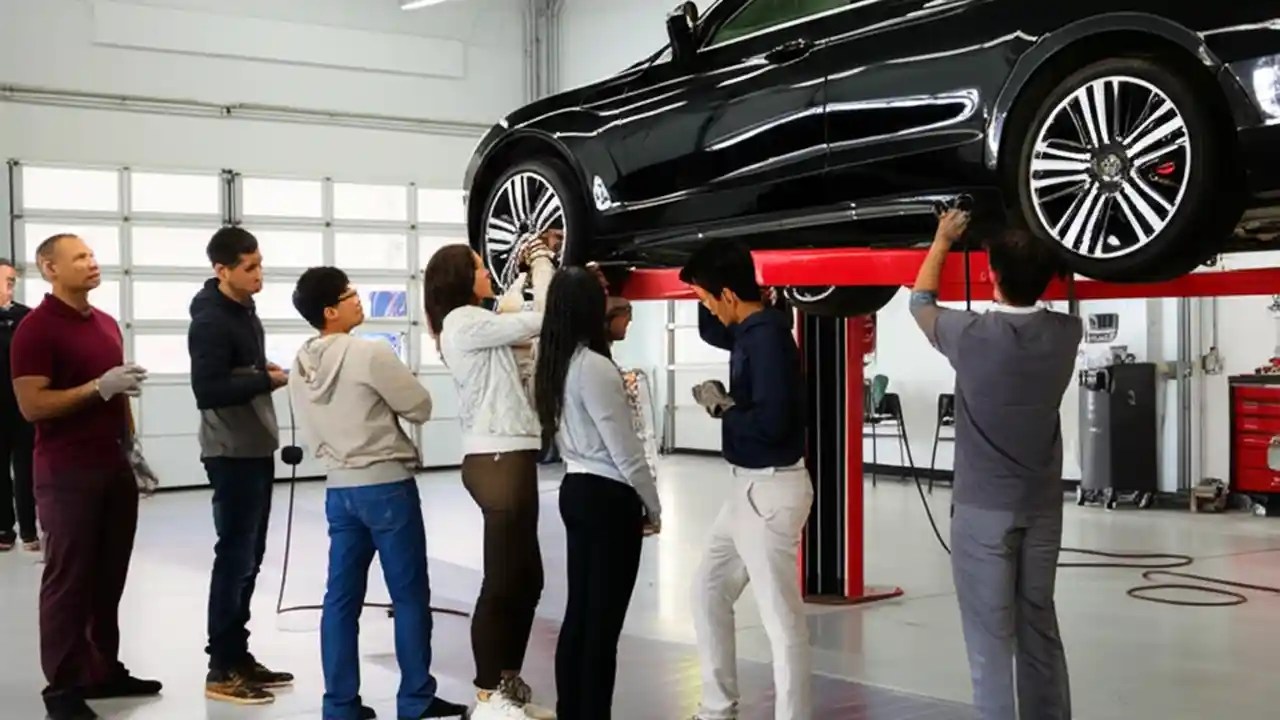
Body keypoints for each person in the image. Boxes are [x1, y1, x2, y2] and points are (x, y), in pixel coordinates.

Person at [909, 209, 1081, 720]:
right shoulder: (1065, 335)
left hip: (983, 512)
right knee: (1039, 626)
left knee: (989, 639)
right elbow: (1060, 292)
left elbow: (920, 302)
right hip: (1043, 509)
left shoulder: (971, 335)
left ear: (992, 276)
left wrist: (943, 238)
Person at [288, 266, 468, 720]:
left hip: (338, 490)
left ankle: (341, 705)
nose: (358, 300)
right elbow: (420, 406)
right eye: (349, 295)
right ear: (330, 311)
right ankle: (415, 700)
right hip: (386, 485)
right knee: (408, 597)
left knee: (340, 601)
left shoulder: (300, 364)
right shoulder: (369, 354)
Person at [10, 233, 161, 720]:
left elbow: (118, 395)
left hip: (112, 465)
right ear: (49, 268)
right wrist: (98, 387)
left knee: (108, 575)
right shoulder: (35, 330)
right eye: (79, 258)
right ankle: (62, 687)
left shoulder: (106, 324)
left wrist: (132, 449)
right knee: (68, 579)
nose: (92, 263)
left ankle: (103, 669)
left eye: (92, 255)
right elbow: (33, 405)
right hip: (66, 472)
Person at [423, 236, 558, 720]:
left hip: (510, 454)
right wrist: (540, 262)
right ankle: (486, 696)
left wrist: (522, 278)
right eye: (480, 268)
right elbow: (543, 318)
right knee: (502, 581)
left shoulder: (476, 323)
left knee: (527, 577)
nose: (487, 273)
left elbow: (518, 327)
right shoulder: (464, 321)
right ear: (462, 278)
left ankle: (505, 682)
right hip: (497, 458)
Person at [681, 239, 812, 720]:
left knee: (781, 619)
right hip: (746, 490)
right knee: (708, 590)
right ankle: (716, 707)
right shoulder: (750, 328)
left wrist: (723, 408)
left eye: (708, 299)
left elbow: (776, 422)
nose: (707, 310)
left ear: (730, 296)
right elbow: (712, 325)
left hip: (770, 491)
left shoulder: (768, 340)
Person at [534, 266, 661, 720]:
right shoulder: (595, 367)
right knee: (603, 625)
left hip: (576, 488)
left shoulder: (556, 361)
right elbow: (624, 449)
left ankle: (574, 709)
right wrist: (652, 501)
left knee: (581, 615)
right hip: (610, 497)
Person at [187, 227, 292, 705]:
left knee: (251, 557)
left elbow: (243, 370)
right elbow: (207, 390)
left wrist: (257, 373)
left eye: (260, 264)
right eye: (248, 267)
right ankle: (221, 666)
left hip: (256, 447)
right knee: (234, 557)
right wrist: (261, 380)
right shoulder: (210, 320)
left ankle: (238, 653)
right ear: (221, 270)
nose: (258, 274)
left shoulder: (246, 311)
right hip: (230, 453)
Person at [0, 257, 38, 552]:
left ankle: (29, 530)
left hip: (23, 406)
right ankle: (4, 529)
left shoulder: (28, 318)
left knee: (26, 469)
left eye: (11, 281)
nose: (6, 288)